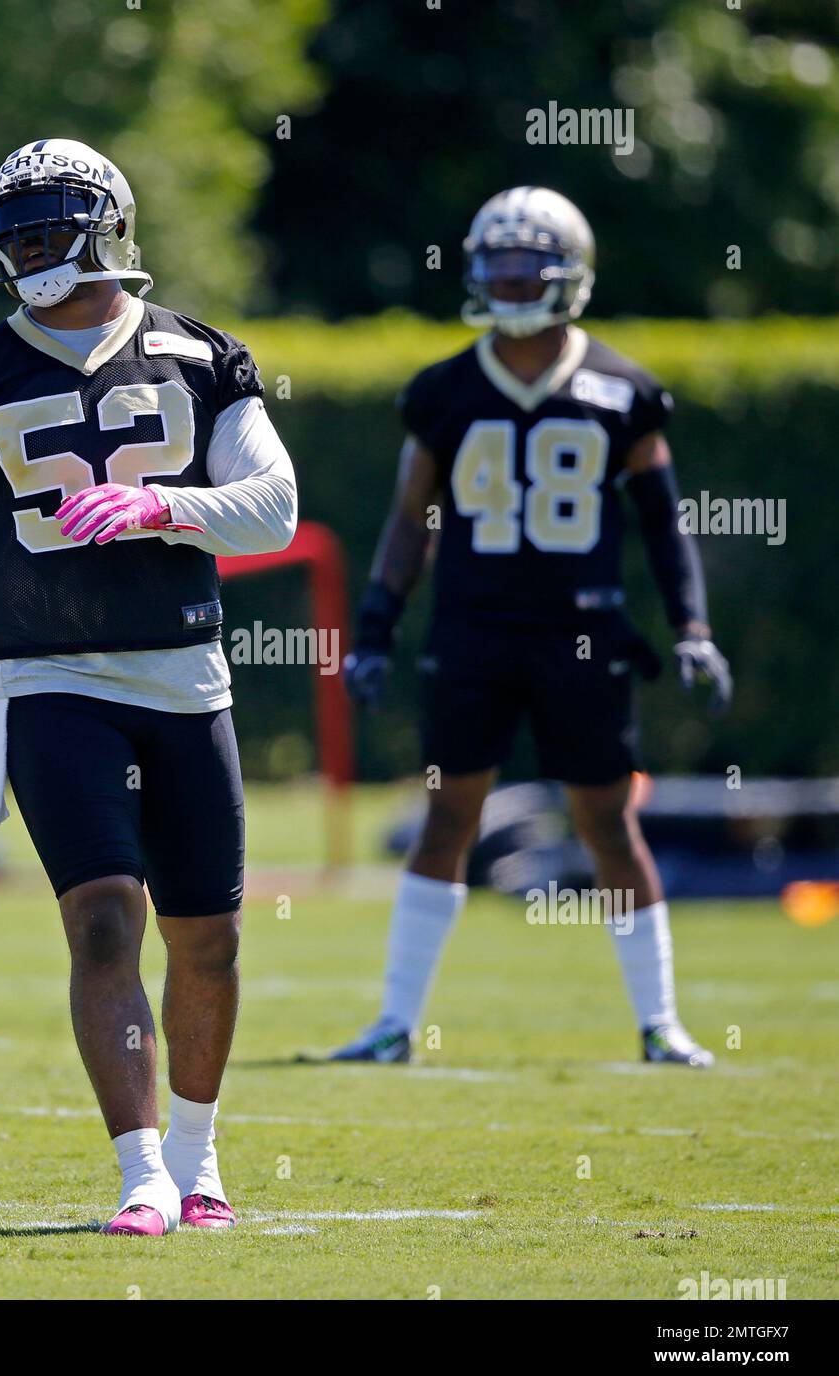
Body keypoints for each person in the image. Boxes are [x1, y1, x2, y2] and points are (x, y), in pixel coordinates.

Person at [0, 138, 298, 1234]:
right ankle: (139, 1172)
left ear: (108, 222)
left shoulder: (199, 356)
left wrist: (164, 506)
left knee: (206, 937)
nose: (32, 243)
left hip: (186, 679)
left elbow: (273, 505)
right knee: (101, 926)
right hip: (48, 683)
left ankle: (196, 1152)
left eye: (52, 220)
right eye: (16, 226)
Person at [332, 186, 730, 1068]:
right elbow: (411, 523)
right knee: (447, 820)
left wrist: (692, 625)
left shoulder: (623, 389)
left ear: (569, 274)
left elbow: (665, 524)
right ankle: (396, 1023)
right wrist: (373, 630)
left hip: (582, 635)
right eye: (496, 265)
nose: (509, 283)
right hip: (472, 633)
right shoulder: (441, 391)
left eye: (527, 267)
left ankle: (661, 1023)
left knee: (608, 822)